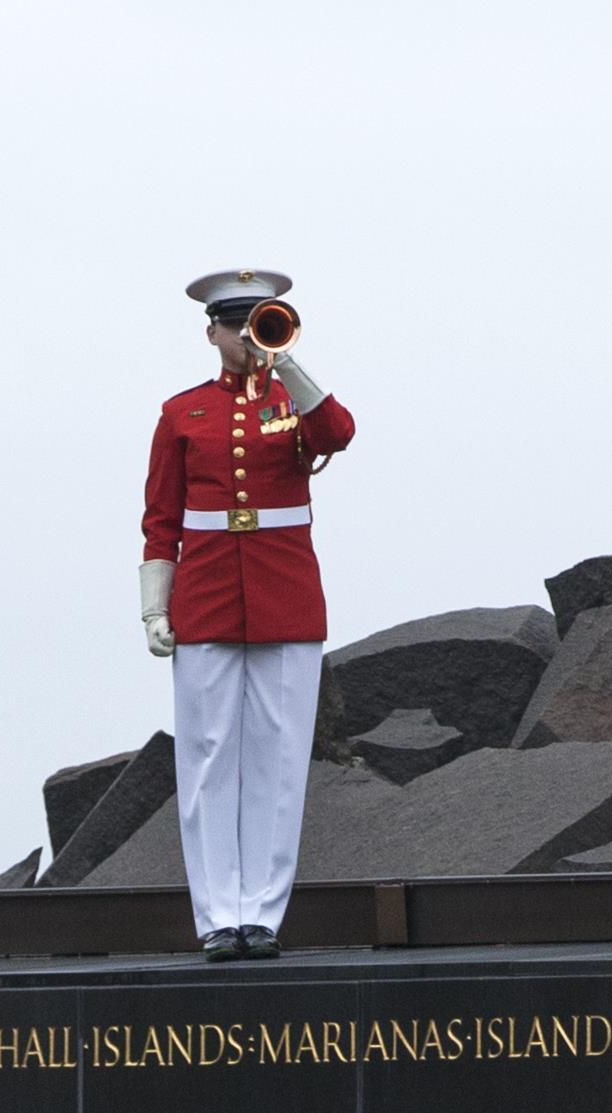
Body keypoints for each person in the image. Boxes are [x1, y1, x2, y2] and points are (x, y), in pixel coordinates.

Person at [143, 269, 353, 962]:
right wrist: (155, 604)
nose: (244, 336)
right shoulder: (183, 412)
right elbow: (161, 518)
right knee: (206, 759)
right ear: (211, 333)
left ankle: (261, 914)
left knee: (279, 758)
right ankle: (216, 917)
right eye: (233, 325)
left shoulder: (291, 403)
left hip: (283, 594)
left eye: (256, 322)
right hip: (204, 596)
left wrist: (285, 360)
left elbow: (339, 432)